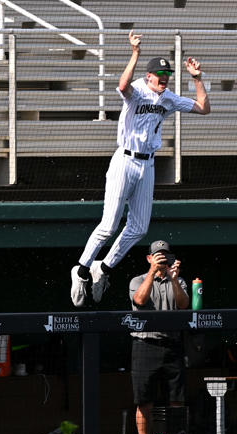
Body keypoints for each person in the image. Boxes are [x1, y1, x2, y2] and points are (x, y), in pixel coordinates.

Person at [70, 30, 210, 307]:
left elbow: (204, 108)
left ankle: (104, 268)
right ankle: (82, 269)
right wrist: (135, 54)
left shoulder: (168, 97)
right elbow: (122, 87)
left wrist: (197, 79)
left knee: (139, 228)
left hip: (147, 164)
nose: (164, 78)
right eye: (160, 74)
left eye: (167, 74)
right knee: (109, 225)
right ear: (149, 76)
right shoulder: (138, 89)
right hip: (124, 160)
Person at [129, 240, 189, 434]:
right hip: (146, 344)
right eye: (157, 255)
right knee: (144, 400)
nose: (162, 258)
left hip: (172, 345)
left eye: (165, 255)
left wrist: (173, 279)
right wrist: (152, 271)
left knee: (176, 399)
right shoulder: (137, 280)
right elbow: (139, 300)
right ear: (149, 258)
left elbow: (183, 305)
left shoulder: (178, 280)